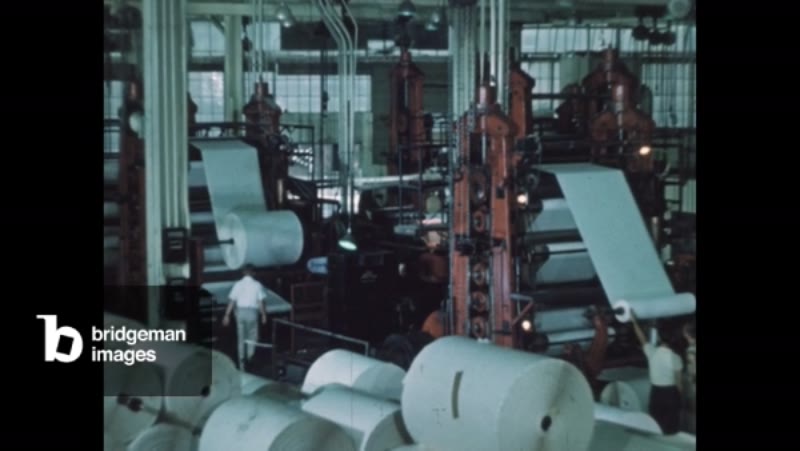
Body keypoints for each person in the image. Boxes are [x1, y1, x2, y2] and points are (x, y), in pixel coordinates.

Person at [630, 312, 684, 435]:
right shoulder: (676, 358)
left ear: (659, 337)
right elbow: (679, 385)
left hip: (656, 393)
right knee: (671, 429)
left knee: (656, 427)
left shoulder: (652, 352)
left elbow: (642, 338)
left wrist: (634, 322)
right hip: (671, 394)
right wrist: (681, 400)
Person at [222, 264, 268, 369]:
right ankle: (250, 359)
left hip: (240, 313)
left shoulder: (238, 284)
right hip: (252, 313)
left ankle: (242, 364)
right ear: (253, 273)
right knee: (252, 337)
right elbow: (260, 302)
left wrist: (226, 315)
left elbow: (232, 301)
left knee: (241, 339)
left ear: (243, 273)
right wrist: (263, 315)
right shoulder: (257, 285)